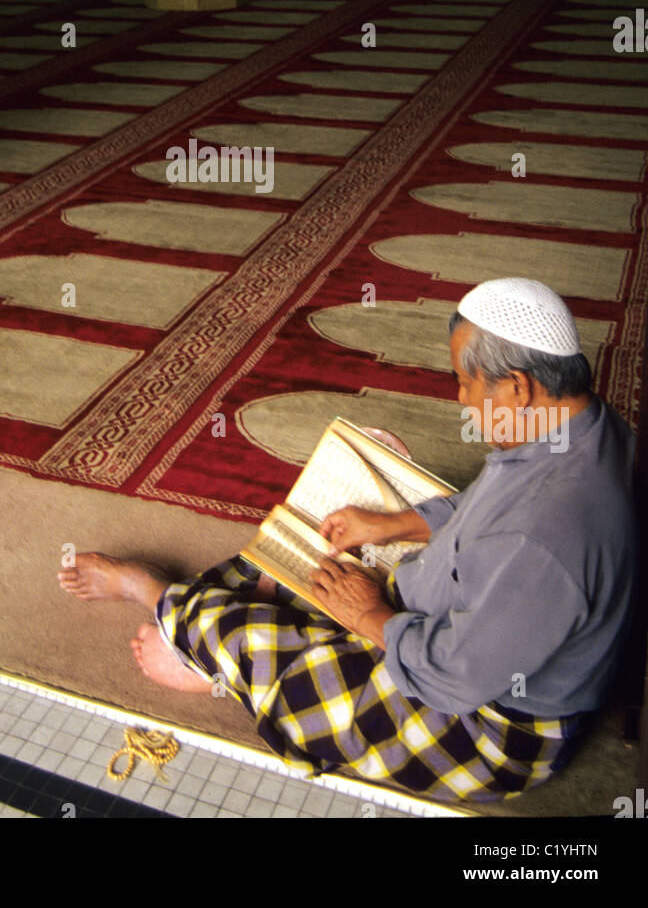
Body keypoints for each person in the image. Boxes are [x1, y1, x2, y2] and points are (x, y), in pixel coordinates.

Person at [57, 279, 636, 804]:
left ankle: (163, 603)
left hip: (484, 725)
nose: (460, 398)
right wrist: (394, 525)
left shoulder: (544, 534)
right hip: (463, 618)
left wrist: (369, 615)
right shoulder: (580, 428)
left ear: (517, 387)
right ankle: (210, 648)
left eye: (465, 381)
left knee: (266, 649)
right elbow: (487, 508)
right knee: (299, 550)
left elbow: (454, 677)